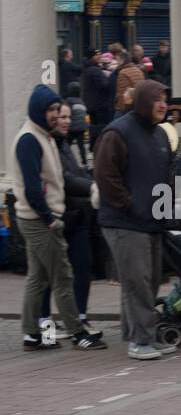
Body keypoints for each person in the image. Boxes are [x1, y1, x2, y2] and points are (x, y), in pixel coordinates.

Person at [10, 85, 106, 351]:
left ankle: (32, 335)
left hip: (37, 218)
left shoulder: (43, 136)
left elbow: (57, 178)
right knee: (63, 276)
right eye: (51, 110)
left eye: (57, 110)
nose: (55, 115)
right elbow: (32, 186)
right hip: (40, 221)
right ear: (38, 111)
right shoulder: (30, 139)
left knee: (38, 279)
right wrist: (48, 218)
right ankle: (77, 334)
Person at [93, 79, 175, 360]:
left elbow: (165, 175)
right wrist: (129, 204)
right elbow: (105, 174)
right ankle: (141, 340)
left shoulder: (161, 135)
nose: (164, 105)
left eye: (165, 99)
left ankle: (136, 334)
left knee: (148, 281)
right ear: (143, 102)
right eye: (157, 99)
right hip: (123, 221)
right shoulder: (117, 132)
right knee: (138, 281)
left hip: (151, 220)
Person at [39, 102, 102, 341]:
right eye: (61, 117)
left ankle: (79, 318)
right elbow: (63, 179)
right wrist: (91, 186)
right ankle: (45, 330)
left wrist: (92, 180)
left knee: (82, 267)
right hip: (55, 217)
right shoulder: (45, 145)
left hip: (77, 216)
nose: (65, 121)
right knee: (46, 276)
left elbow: (76, 174)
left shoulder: (66, 144)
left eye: (67, 117)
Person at [82, 52, 115, 148]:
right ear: (91, 57)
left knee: (94, 126)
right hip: (99, 105)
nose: (99, 56)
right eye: (97, 55)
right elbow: (104, 85)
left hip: (92, 105)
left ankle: (94, 146)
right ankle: (98, 146)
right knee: (101, 127)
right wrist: (110, 78)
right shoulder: (95, 70)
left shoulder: (89, 69)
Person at [112, 50, 145, 115]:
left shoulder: (123, 73)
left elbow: (121, 94)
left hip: (126, 108)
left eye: (118, 60)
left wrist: (119, 108)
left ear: (122, 61)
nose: (116, 62)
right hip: (138, 105)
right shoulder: (138, 70)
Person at [64, 82, 90, 165]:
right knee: (81, 146)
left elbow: (68, 114)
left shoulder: (69, 101)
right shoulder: (82, 102)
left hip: (72, 127)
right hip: (82, 128)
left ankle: (65, 159)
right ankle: (85, 162)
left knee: (66, 144)